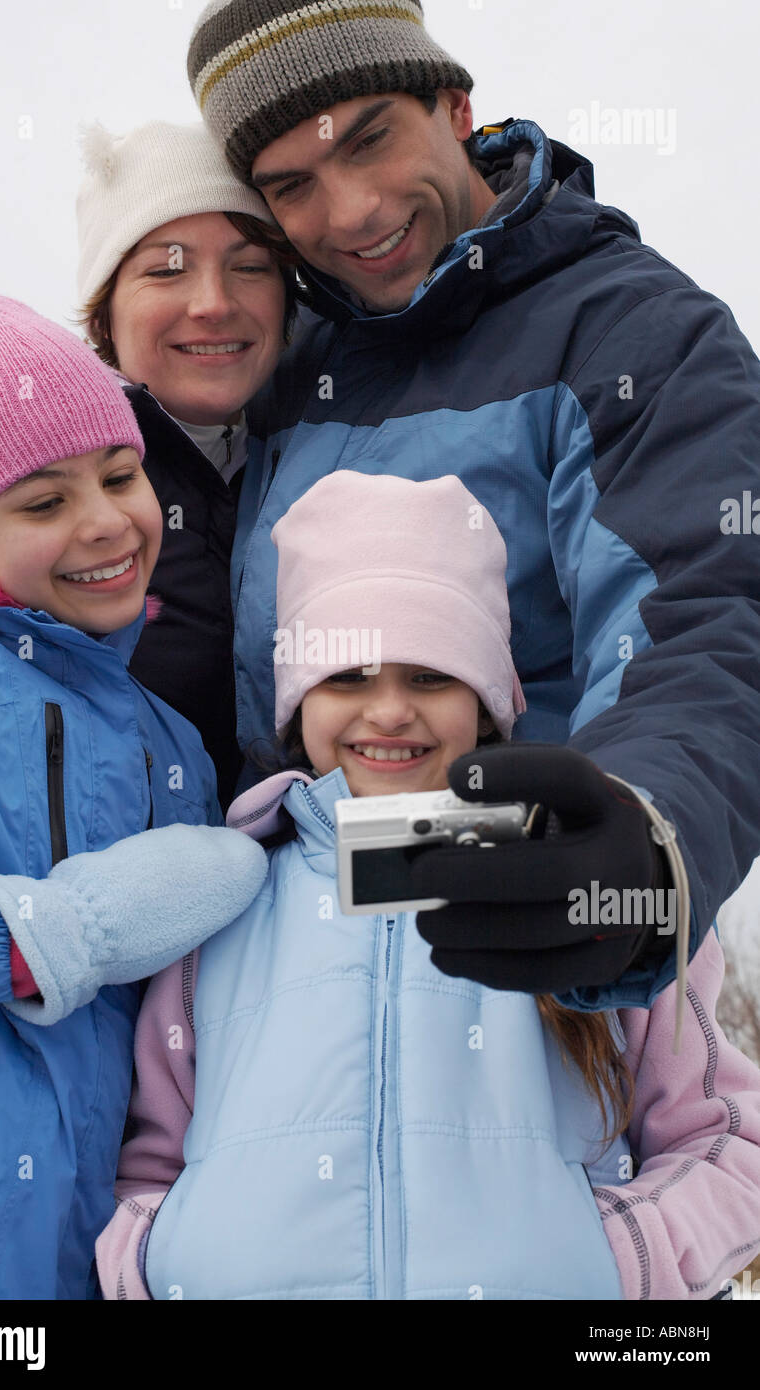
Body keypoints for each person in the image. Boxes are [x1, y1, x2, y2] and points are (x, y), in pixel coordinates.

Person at [185, 0, 760, 1008]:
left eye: (371, 139)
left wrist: (639, 841)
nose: (352, 211)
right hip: (279, 994)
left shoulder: (636, 334)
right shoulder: (273, 368)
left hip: (532, 976)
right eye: (291, 189)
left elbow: (710, 612)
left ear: (452, 108)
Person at [95, 471, 760, 1300]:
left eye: (430, 675)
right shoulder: (221, 899)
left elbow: (728, 1142)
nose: (388, 712)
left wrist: (616, 1259)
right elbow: (147, 1164)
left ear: (484, 702)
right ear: (297, 702)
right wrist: (161, 1261)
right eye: (346, 677)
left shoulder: (585, 887)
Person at [0, 293, 268, 1299]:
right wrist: (35, 937)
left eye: (119, 475)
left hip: (90, 1263)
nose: (107, 522)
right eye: (43, 501)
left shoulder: (168, 742)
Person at [76, 120, 297, 806]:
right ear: (105, 312)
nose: (213, 303)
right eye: (166, 269)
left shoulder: (331, 444)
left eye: (251, 266)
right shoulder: (44, 478)